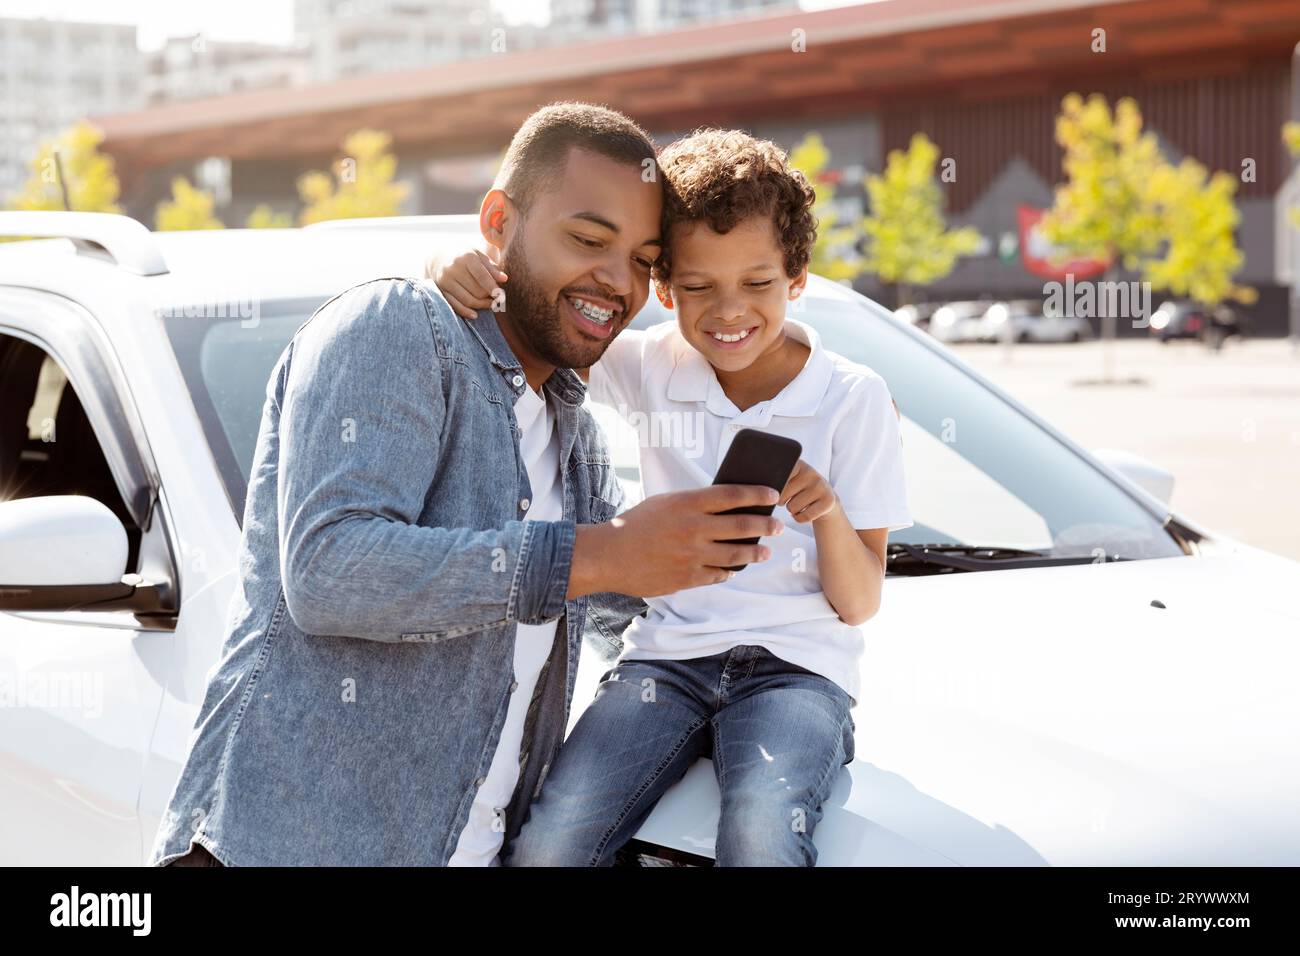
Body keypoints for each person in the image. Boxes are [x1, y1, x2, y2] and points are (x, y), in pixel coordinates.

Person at [149, 103, 783, 867]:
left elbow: (640, 607)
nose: (618, 281)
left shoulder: (570, 431)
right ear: (497, 220)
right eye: (588, 239)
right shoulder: (396, 325)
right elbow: (329, 571)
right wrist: (601, 555)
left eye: (645, 260)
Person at [430, 127, 913, 866]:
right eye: (697, 288)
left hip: (797, 672)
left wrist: (828, 515)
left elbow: (861, 603)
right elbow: (537, 320)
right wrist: (446, 264)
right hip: (666, 665)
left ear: (797, 277)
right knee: (550, 843)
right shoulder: (653, 366)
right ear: (662, 287)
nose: (729, 313)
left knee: (760, 832)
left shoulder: (852, 398)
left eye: (757, 284)